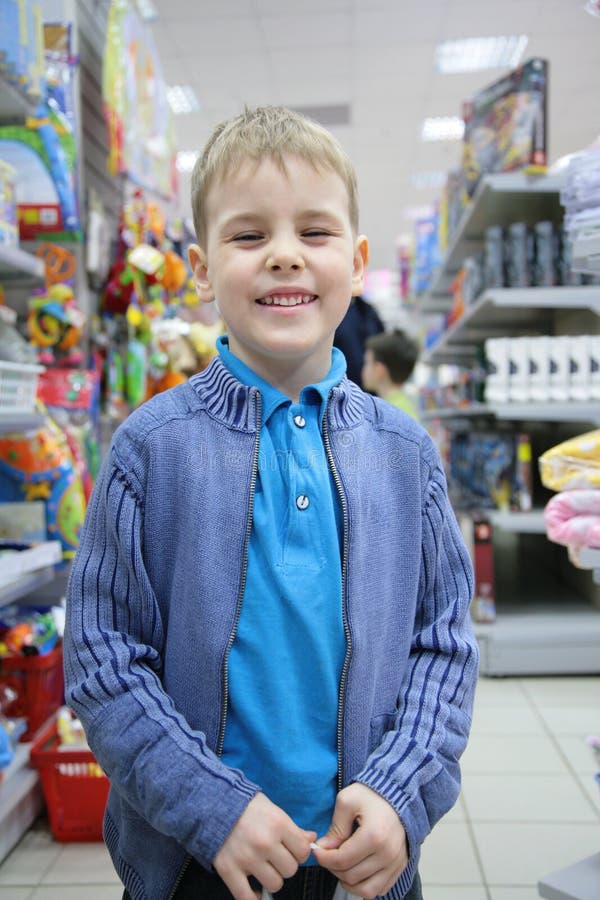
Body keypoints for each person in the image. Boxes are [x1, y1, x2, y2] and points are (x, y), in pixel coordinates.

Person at [63, 106, 479, 900]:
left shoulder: (405, 455)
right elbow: (105, 658)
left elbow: (444, 647)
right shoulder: (151, 450)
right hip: (195, 860)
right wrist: (210, 806)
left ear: (356, 264)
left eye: (315, 234)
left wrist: (402, 792)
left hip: (365, 859)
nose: (285, 255)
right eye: (249, 236)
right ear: (200, 266)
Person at [361, 330, 421, 421]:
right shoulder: (402, 407)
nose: (364, 369)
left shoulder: (387, 414)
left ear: (379, 370)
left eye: (367, 362)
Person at [333, 294, 384, 388]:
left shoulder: (367, 310)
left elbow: (382, 346)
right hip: (342, 388)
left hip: (371, 388)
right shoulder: (332, 315)